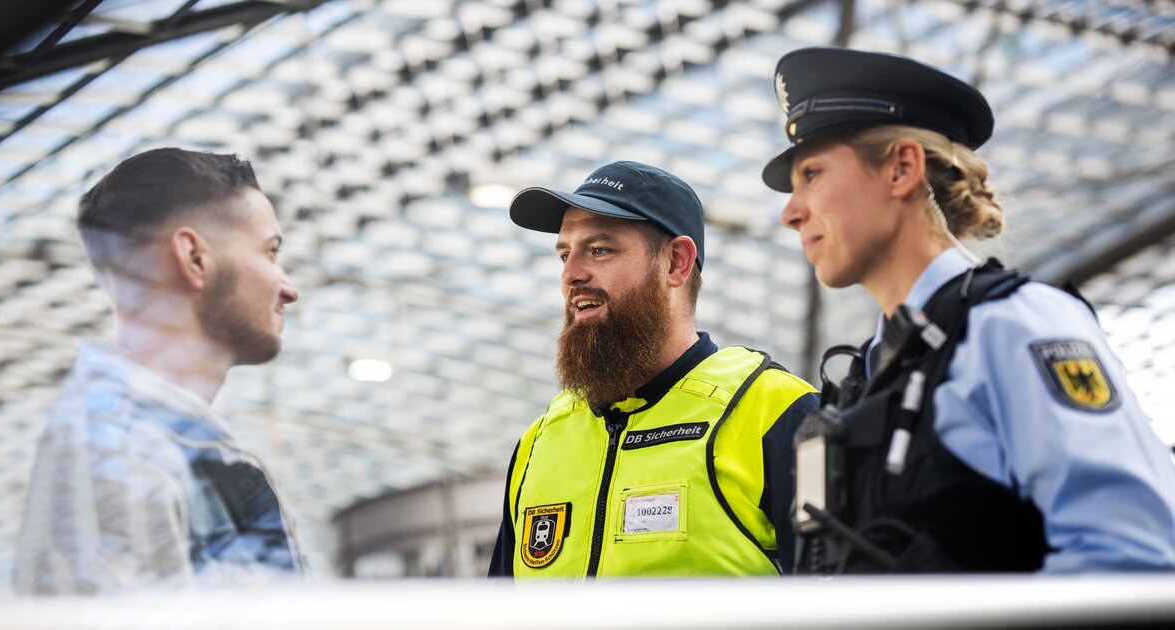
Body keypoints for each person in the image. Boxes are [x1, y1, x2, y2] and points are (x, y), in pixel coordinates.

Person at [764, 46, 1175, 573]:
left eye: (813, 174)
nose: (791, 213)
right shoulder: (868, 374)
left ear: (901, 169)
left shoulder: (1015, 325)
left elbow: (1132, 555)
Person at [487, 161, 819, 579]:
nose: (571, 275)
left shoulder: (777, 412)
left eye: (600, 249)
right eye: (565, 254)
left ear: (676, 263)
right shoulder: (539, 443)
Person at [14, 148, 307, 594]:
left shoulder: (166, 452)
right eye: (269, 252)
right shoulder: (118, 462)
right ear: (193, 258)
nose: (289, 288)